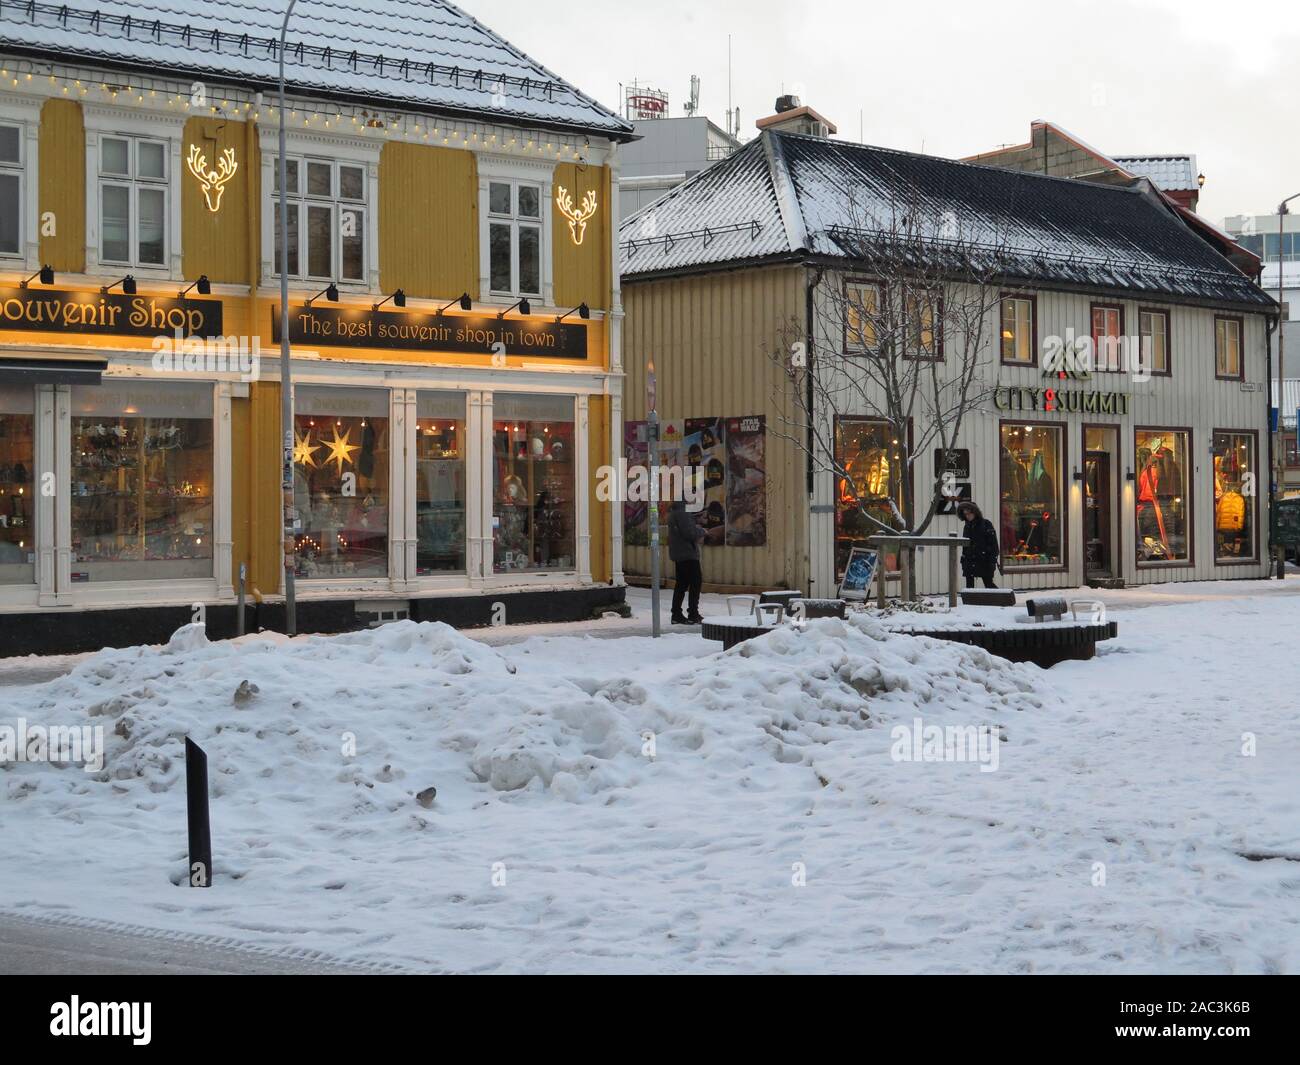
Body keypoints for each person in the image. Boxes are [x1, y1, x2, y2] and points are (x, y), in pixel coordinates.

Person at [668, 499, 705, 624]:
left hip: (681, 553)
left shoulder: (676, 511)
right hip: (687, 554)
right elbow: (689, 533)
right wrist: (702, 531)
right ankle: (692, 613)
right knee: (695, 583)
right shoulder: (682, 512)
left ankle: (677, 614)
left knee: (681, 584)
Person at [957, 502, 1000, 589]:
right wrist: (964, 559)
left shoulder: (986, 524)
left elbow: (993, 544)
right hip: (969, 561)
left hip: (984, 560)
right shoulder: (967, 526)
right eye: (965, 514)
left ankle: (1001, 600)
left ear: (975, 512)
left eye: (969, 513)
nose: (968, 516)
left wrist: (992, 560)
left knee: (989, 585)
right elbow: (965, 546)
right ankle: (969, 602)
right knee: (969, 588)